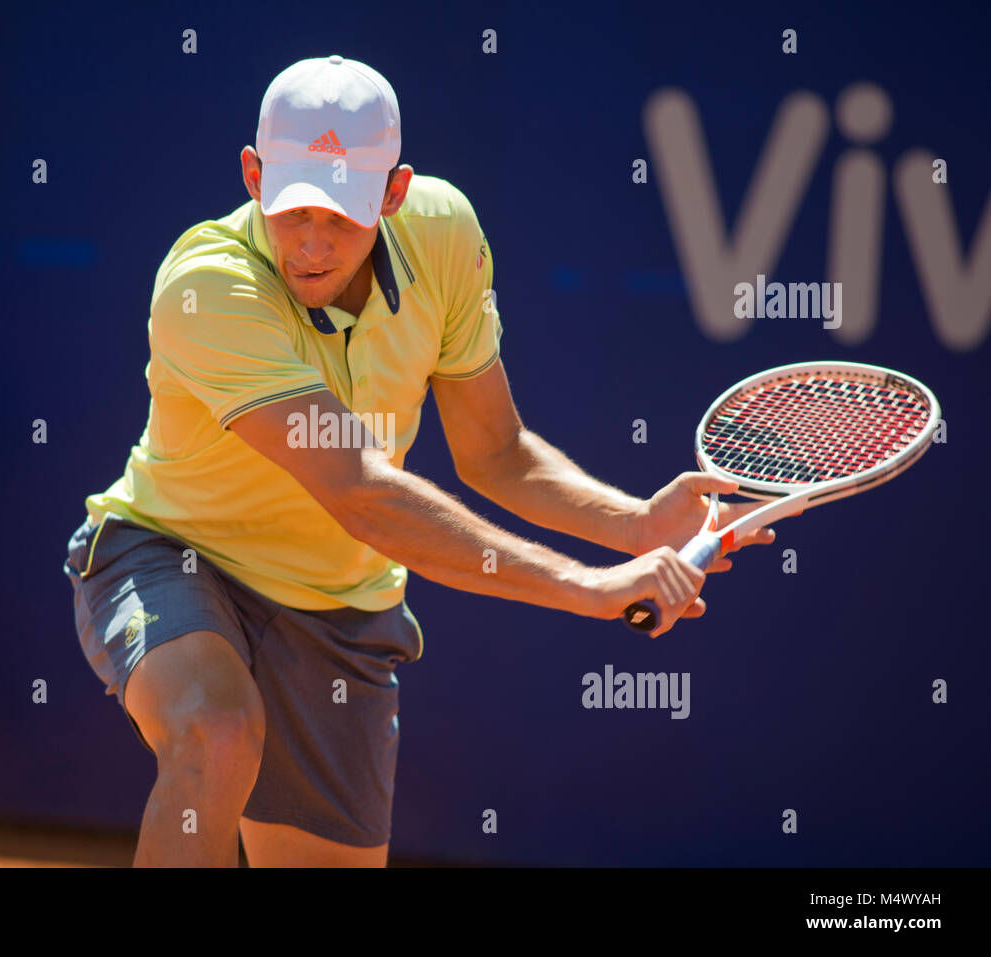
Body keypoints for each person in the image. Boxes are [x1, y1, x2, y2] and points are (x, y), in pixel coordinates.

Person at [63, 55, 774, 867]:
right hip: (172, 553)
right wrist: (588, 587)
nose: (314, 245)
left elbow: (496, 452)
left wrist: (636, 524)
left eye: (343, 215)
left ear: (394, 195)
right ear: (253, 176)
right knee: (215, 733)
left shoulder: (443, 234)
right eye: (294, 210)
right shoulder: (208, 289)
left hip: (339, 603)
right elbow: (361, 493)